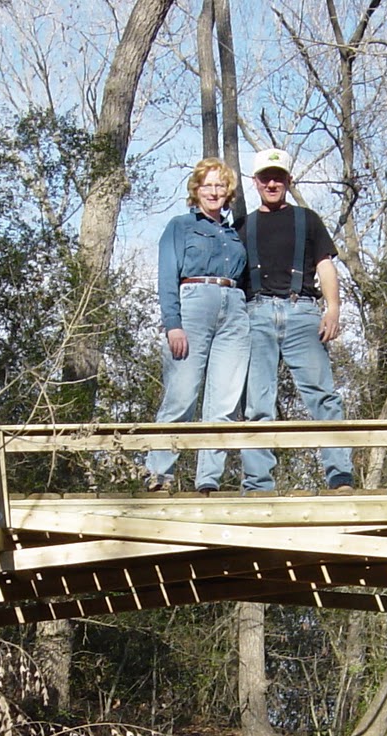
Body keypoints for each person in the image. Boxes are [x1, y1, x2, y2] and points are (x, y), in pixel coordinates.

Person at [236, 147, 355, 493]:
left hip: (302, 311)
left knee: (323, 395)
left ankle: (340, 476)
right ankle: (258, 483)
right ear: (255, 182)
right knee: (257, 402)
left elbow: (325, 264)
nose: (272, 183)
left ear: (288, 180)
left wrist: (332, 308)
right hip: (255, 313)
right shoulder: (243, 225)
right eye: (265, 178)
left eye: (278, 177)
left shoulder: (308, 219)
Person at [145, 157, 250, 494]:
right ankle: (159, 474)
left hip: (234, 307)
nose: (214, 191)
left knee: (224, 402)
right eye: (208, 185)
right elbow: (166, 277)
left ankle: (208, 480)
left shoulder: (235, 233)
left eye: (220, 185)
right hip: (193, 304)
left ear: (228, 191)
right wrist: (172, 324)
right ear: (196, 190)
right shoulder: (180, 226)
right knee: (181, 394)